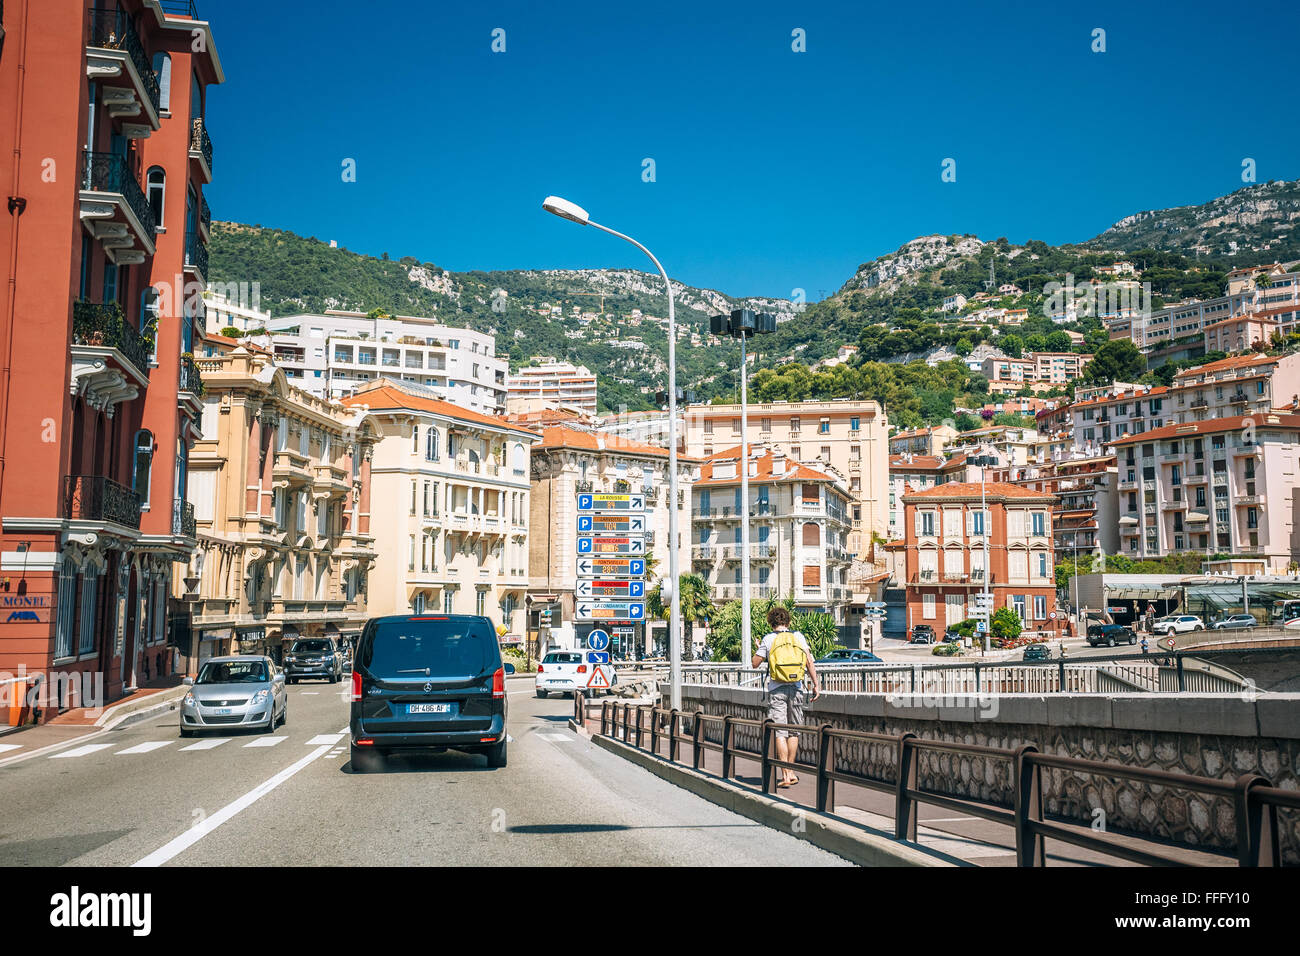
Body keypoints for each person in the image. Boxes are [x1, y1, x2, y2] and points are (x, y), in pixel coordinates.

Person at [751, 605, 819, 790]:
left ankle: (786, 775)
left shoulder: (768, 638)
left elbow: (755, 664)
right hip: (797, 688)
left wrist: (760, 650)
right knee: (794, 731)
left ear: (771, 623)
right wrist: (816, 684)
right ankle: (791, 771)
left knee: (780, 731)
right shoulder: (798, 636)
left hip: (777, 689)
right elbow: (809, 662)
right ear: (788, 622)